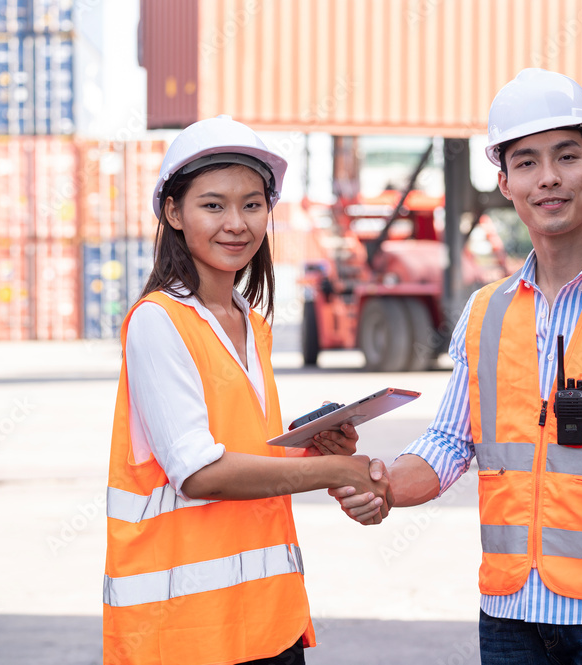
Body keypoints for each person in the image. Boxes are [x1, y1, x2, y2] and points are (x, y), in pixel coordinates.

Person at [332, 69, 582, 665]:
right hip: (509, 619)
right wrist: (384, 486)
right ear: (504, 182)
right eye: (526, 163)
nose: (548, 178)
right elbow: (450, 443)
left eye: (566, 156)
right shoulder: (483, 313)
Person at [103, 115, 391, 665]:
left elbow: (242, 452)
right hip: (183, 635)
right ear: (173, 212)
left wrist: (314, 447)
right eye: (213, 205)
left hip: (268, 622)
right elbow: (200, 472)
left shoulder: (250, 322)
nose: (236, 223)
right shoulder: (158, 321)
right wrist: (334, 473)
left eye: (252, 205)